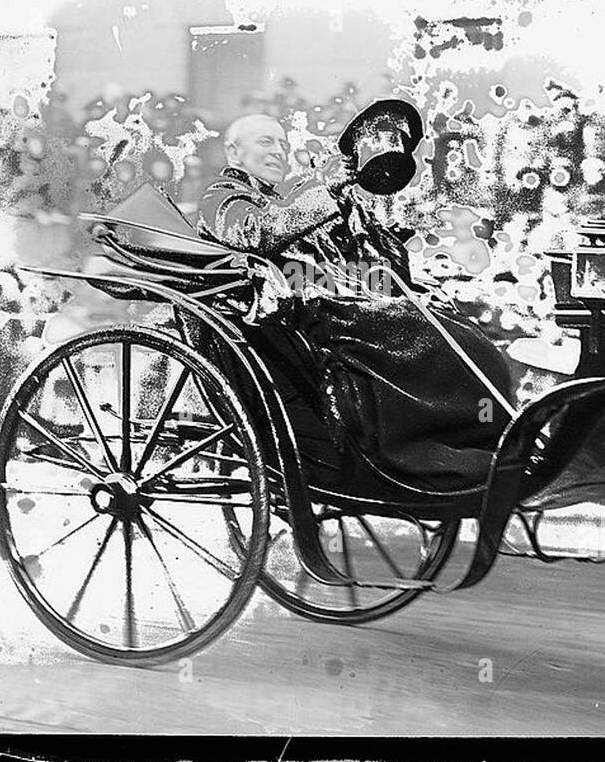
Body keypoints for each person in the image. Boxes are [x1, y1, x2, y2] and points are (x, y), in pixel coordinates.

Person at [196, 110, 514, 494]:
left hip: (328, 313)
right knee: (420, 330)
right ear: (233, 151)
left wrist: (356, 217)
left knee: (460, 332)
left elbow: (368, 269)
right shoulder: (222, 198)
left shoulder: (288, 199)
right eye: (266, 142)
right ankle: (412, 450)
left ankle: (463, 442)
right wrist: (324, 192)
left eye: (283, 142)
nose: (279, 151)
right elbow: (256, 234)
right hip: (290, 326)